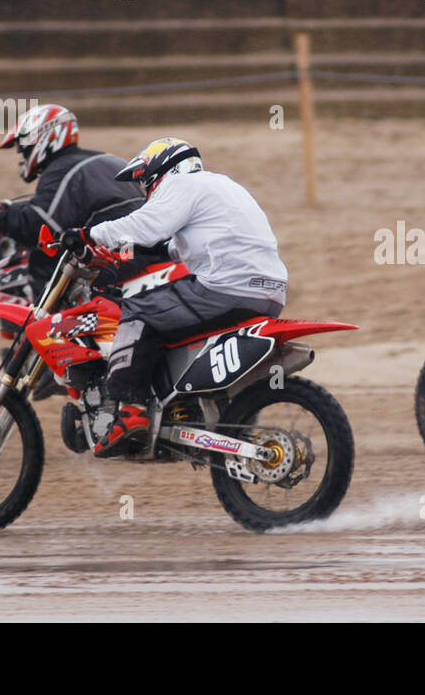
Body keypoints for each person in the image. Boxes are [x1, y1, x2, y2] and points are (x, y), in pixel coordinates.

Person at [65, 137, 289, 457]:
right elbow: (170, 245)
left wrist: (87, 235)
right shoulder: (221, 185)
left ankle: (130, 411)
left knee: (137, 311)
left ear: (160, 169)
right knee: (164, 308)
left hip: (226, 288)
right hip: (269, 291)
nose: (145, 189)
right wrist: (128, 248)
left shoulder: (181, 183)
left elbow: (144, 226)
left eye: (145, 180)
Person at [0, 103, 145, 292]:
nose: (23, 155)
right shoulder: (107, 159)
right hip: (138, 247)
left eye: (24, 147)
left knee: (41, 260)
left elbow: (39, 224)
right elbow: (63, 210)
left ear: (45, 137)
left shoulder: (61, 169)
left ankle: (45, 320)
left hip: (111, 257)